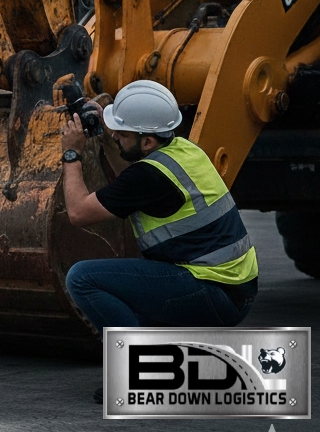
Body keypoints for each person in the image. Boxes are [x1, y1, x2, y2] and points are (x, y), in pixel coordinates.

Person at [59, 80, 258, 403]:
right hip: (233, 289)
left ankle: (134, 378)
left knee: (82, 279)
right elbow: (132, 164)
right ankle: (169, 364)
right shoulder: (184, 150)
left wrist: (72, 153)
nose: (115, 137)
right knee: (126, 317)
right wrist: (110, 126)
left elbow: (79, 213)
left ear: (148, 140)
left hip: (212, 292)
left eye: (122, 134)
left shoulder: (148, 177)